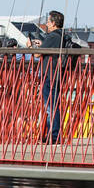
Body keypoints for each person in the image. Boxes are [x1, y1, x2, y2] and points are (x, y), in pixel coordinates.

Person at [34, 10, 81, 144]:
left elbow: (37, 54)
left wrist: (31, 46)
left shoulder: (53, 36)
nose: (46, 24)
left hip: (50, 75)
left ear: (54, 23)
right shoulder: (63, 36)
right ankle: (53, 134)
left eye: (48, 21)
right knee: (54, 105)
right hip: (58, 74)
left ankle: (54, 136)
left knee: (51, 106)